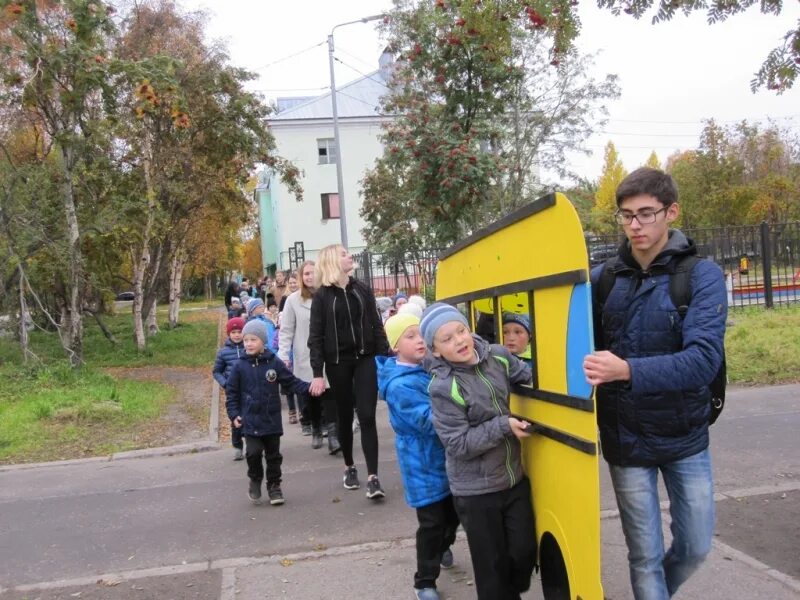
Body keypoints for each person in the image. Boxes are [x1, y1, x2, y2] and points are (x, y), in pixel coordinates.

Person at [583, 167, 727, 600]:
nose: (635, 225)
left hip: (684, 434)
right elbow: (565, 335)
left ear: (671, 211)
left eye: (646, 213)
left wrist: (626, 370)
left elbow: (702, 361)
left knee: (695, 546)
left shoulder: (701, 276)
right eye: (626, 215)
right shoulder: (602, 279)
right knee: (643, 557)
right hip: (625, 438)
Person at [420, 302, 536, 600]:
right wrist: (504, 426)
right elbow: (458, 444)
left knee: (524, 553)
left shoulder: (498, 356)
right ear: (435, 350)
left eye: (461, 331)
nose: (459, 340)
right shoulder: (443, 387)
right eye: (447, 339)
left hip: (513, 479)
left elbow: (529, 377)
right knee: (492, 571)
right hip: (476, 492)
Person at [377, 313, 459, 600]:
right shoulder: (400, 386)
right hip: (422, 464)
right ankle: (424, 582)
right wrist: (462, 411)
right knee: (432, 524)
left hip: (448, 459)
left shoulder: (430, 367)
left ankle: (442, 546)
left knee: (454, 516)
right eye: (409, 336)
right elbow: (427, 420)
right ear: (395, 347)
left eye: (420, 334)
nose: (419, 341)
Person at [308, 244, 390, 500]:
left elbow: (376, 323)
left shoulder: (362, 288)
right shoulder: (322, 297)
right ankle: (349, 466)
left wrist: (385, 355)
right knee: (344, 416)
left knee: (366, 415)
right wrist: (317, 372)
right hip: (337, 362)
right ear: (333, 260)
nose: (349, 256)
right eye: (344, 254)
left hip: (365, 359)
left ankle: (374, 478)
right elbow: (316, 337)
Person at [226, 319, 317, 506]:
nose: (249, 344)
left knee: (273, 456)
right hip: (249, 420)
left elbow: (290, 382)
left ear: (263, 342)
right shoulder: (239, 366)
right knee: (252, 453)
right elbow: (232, 394)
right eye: (246, 340)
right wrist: (234, 414)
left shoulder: (273, 363)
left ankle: (274, 485)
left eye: (253, 340)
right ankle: (255, 478)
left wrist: (310, 388)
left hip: (271, 419)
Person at [279, 261, 340, 453]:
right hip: (306, 355)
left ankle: (333, 436)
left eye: (312, 273)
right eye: (305, 274)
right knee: (312, 395)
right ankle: (315, 428)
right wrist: (283, 354)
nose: (309, 277)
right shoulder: (293, 301)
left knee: (331, 395)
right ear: (301, 277)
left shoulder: (329, 296)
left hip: (330, 354)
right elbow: (287, 329)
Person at [212, 317, 247, 460]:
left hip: (249, 389)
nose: (237, 335)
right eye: (233, 332)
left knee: (251, 416)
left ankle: (253, 442)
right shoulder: (223, 352)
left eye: (239, 331)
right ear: (229, 334)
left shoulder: (249, 347)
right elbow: (216, 371)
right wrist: (225, 383)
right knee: (236, 419)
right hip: (233, 392)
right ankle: (238, 446)